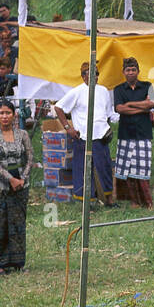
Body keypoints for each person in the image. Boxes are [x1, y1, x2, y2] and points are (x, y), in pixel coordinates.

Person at [53, 62, 117, 206]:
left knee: (104, 168)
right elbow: (58, 107)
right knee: (83, 170)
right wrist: (68, 128)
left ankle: (108, 199)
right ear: (83, 77)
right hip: (82, 137)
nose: (93, 77)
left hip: (101, 136)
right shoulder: (77, 91)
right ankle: (87, 203)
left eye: (96, 74)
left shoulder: (103, 91)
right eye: (89, 74)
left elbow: (108, 113)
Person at [0, 101, 32, 273]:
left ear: (14, 115)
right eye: (1, 113)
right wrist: (10, 179)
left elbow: (29, 157)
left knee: (18, 223)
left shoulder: (23, 134)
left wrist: (22, 178)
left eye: (8, 113)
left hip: (21, 186)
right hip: (2, 187)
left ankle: (18, 262)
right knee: (0, 223)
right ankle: (0, 264)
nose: (4, 116)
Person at [113, 57, 154, 208]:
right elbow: (119, 108)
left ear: (138, 71)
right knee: (127, 169)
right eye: (128, 70)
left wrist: (130, 103)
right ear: (123, 72)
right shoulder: (118, 89)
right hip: (126, 134)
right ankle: (133, 201)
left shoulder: (147, 86)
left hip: (143, 133)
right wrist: (142, 108)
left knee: (143, 168)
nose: (131, 73)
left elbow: (152, 103)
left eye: (133, 70)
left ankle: (147, 202)